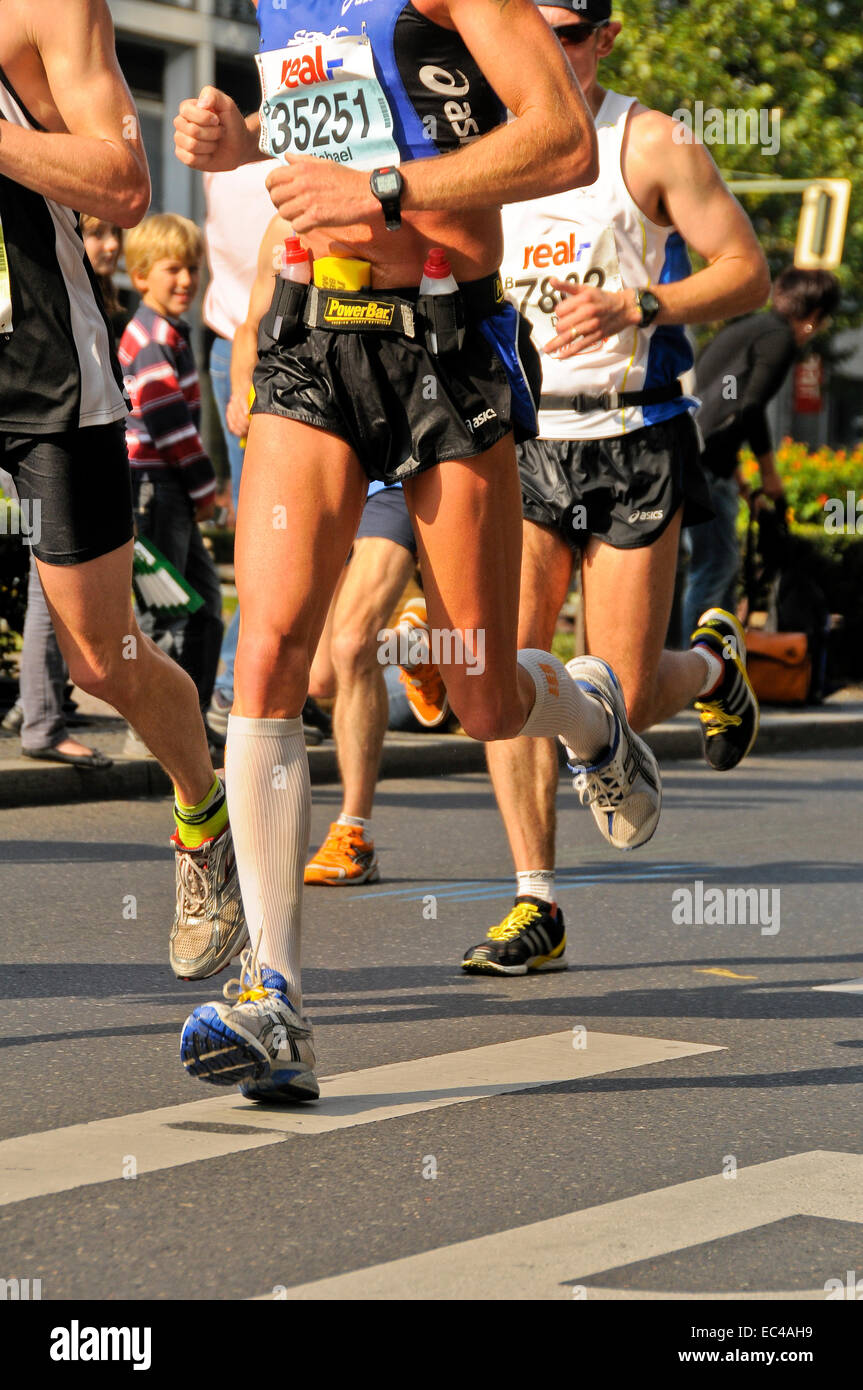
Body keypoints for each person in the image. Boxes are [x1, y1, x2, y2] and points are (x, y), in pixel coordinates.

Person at [173, 0, 664, 1105]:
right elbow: (331, 134)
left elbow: (559, 137)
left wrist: (383, 190)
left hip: (446, 343)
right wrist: (244, 138)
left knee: (484, 698)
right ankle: (277, 998)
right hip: (311, 336)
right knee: (271, 655)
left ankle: (587, 715)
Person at [460, 0, 770, 976]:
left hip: (634, 433)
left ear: (605, 37)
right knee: (501, 673)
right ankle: (533, 900)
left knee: (622, 694)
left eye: (569, 31)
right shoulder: (481, 141)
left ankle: (714, 668)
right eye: (533, 28)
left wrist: (641, 300)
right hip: (520, 440)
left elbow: (745, 272)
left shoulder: (651, 142)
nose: (549, 50)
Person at [0, 0, 246, 983]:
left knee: (104, 658)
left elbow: (125, 185)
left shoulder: (50, 7)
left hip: (45, 373)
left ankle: (200, 815)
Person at [226, 211, 447, 887]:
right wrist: (242, 389)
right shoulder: (289, 221)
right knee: (319, 677)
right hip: (317, 445)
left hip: (404, 447)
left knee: (352, 643)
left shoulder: (416, 201)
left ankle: (353, 830)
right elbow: (250, 323)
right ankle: (419, 640)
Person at [681, 266, 841, 639]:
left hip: (700, 457)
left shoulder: (744, 330)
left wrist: (737, 475)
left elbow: (726, 403)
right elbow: (748, 408)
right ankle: (695, 669)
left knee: (719, 565)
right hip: (705, 465)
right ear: (814, 317)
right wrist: (770, 474)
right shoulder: (780, 338)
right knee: (716, 565)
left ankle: (717, 666)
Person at [118, 214, 225, 724]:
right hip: (157, 485)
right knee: (164, 613)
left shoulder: (169, 334)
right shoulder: (154, 338)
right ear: (140, 276)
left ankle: (192, 719)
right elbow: (169, 424)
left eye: (193, 268)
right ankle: (159, 726)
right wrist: (205, 487)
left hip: (170, 486)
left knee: (203, 605)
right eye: (172, 269)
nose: (187, 279)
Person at [200, 159, 279, 741]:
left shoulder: (225, 163)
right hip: (253, 347)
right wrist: (242, 385)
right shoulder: (252, 161)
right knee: (270, 536)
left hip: (257, 346)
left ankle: (265, 683)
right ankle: (234, 685)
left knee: (275, 533)